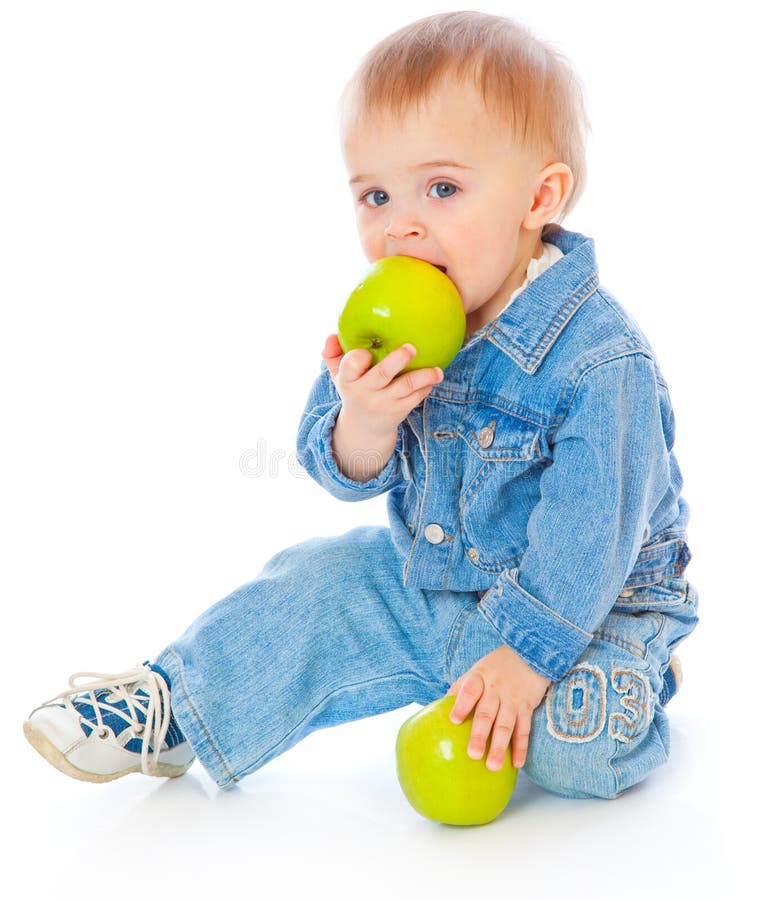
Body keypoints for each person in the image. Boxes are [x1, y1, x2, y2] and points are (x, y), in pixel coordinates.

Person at [23, 11, 698, 800]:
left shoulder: (599, 359)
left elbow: (593, 529)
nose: (399, 225)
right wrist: (366, 422)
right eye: (374, 194)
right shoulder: (392, 325)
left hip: (586, 605)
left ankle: (646, 674)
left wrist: (526, 657)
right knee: (318, 581)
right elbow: (337, 467)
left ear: (538, 197)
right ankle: (174, 703)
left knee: (569, 754)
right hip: (438, 579)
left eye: (442, 188)